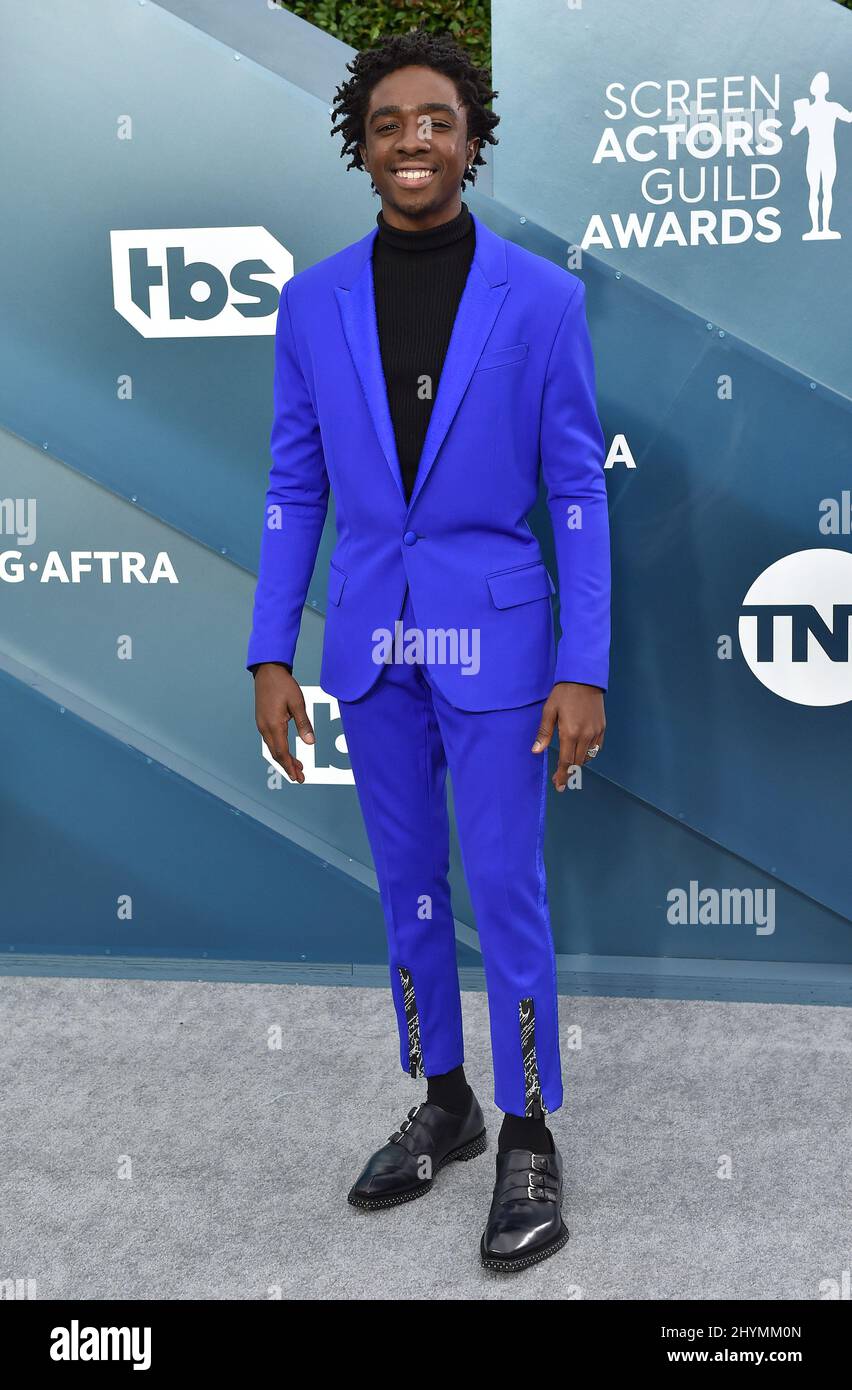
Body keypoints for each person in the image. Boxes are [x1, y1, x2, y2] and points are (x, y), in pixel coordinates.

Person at [246, 26, 610, 1273]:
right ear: (363, 139)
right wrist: (269, 652)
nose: (416, 140)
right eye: (393, 121)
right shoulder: (311, 300)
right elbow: (296, 485)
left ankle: (526, 1132)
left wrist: (585, 663)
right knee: (407, 895)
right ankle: (443, 1099)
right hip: (371, 646)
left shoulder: (545, 299)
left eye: (439, 121)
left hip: (502, 647)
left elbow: (578, 492)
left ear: (472, 140)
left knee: (504, 891)